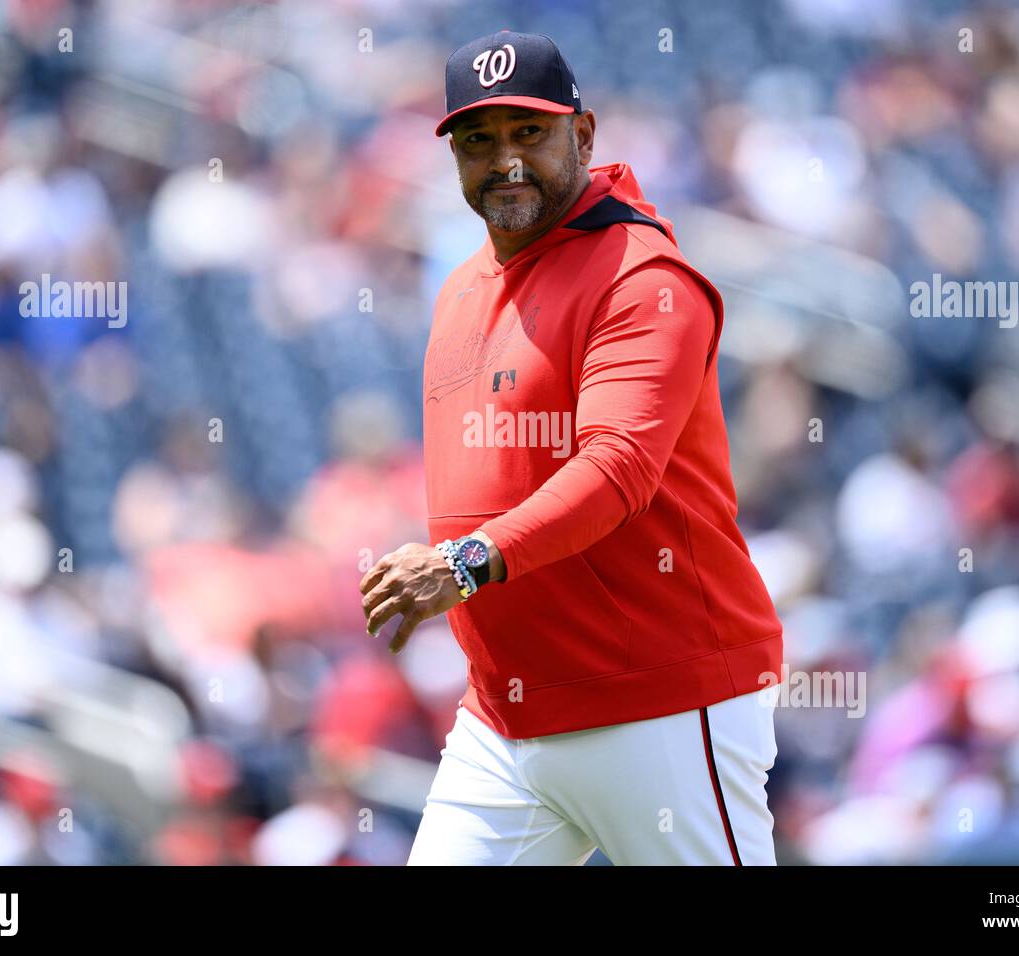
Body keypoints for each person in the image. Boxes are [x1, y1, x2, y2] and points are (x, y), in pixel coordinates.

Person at [359, 30, 783, 865]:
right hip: (504, 716)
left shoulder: (643, 278)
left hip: (658, 703)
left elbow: (614, 471)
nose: (504, 160)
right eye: (479, 140)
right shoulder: (461, 287)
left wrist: (463, 565)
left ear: (583, 137)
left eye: (530, 133)